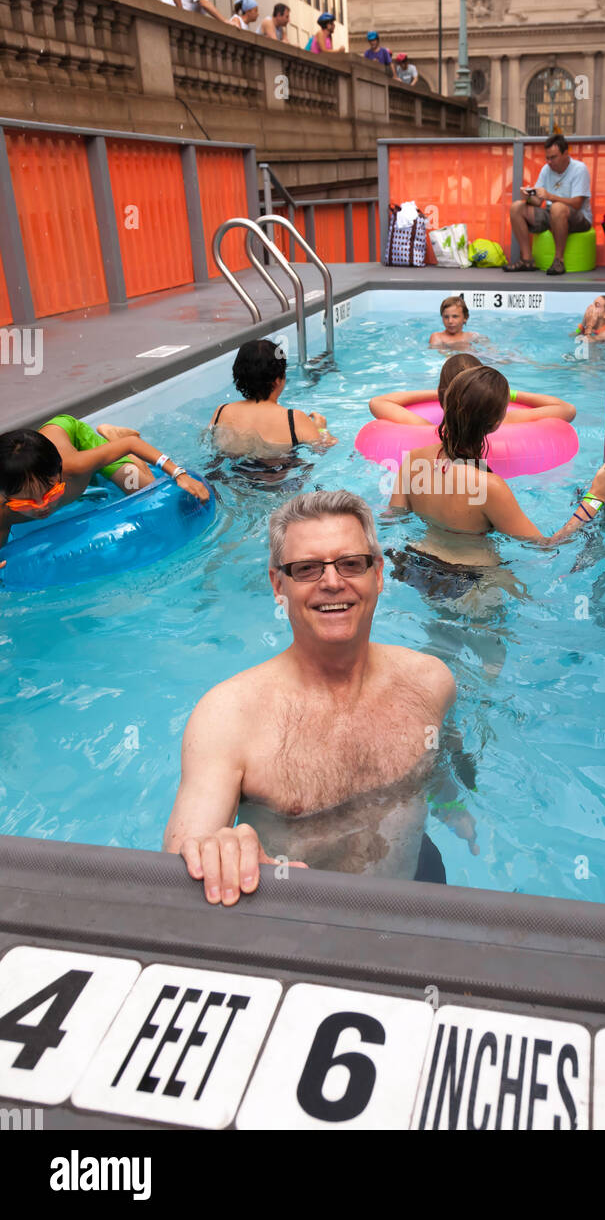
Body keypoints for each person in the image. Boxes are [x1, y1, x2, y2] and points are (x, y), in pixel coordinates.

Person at [164, 490, 457, 900]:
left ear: (377, 574)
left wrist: (455, 809)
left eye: (351, 564)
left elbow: (447, 757)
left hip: (415, 885)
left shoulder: (431, 681)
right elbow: (180, 856)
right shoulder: (228, 717)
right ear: (277, 584)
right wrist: (216, 850)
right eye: (307, 569)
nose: (333, 583)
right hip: (302, 930)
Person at [389, 365, 605, 550]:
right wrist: (596, 497)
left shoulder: (413, 460)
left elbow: (394, 518)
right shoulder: (491, 487)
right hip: (469, 586)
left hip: (417, 568)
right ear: (495, 424)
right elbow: (547, 546)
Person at [0, 419, 209, 558]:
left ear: (59, 473)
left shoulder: (76, 466)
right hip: (35, 460)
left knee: (145, 490)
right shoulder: (4, 512)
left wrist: (178, 473)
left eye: (51, 493)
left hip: (72, 435)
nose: (40, 507)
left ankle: (111, 436)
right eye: (24, 502)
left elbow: (131, 444)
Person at [208, 339, 335, 466]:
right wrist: (321, 429)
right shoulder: (294, 419)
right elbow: (323, 449)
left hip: (230, 478)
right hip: (277, 482)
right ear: (277, 380)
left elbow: (208, 444)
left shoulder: (221, 411)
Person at [369, 353, 575, 425]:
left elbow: (378, 402)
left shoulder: (425, 428)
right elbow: (567, 409)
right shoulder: (506, 421)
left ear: (442, 394)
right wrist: (507, 393)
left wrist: (442, 391)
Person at [507, 134, 592, 277]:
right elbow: (538, 202)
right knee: (516, 207)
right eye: (547, 158)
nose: (549, 162)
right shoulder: (546, 170)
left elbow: (577, 203)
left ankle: (559, 260)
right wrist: (528, 197)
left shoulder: (579, 169)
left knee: (557, 207)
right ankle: (527, 260)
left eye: (553, 157)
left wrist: (550, 196)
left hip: (579, 218)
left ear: (566, 153)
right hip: (551, 213)